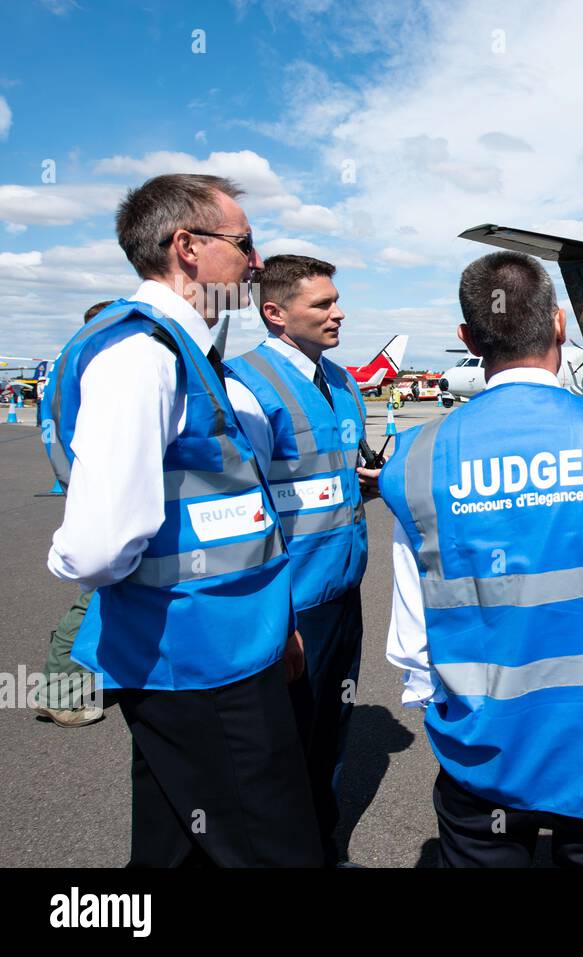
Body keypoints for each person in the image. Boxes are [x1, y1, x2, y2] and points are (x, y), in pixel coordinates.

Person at [381, 250, 583, 867]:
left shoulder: (419, 456)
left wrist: (443, 714)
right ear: (558, 322)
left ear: (468, 339)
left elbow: (412, 632)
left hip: (482, 755)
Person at [41, 173, 320, 867]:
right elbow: (101, 541)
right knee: (275, 849)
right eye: (245, 243)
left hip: (216, 649)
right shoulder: (141, 355)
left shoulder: (184, 350)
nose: (257, 263)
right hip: (198, 663)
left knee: (175, 849)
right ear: (187, 246)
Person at [225, 255, 369, 866]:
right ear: (275, 313)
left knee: (330, 732)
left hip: (343, 590)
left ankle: (319, 846)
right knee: (280, 743)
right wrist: (277, 622)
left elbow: (326, 482)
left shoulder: (340, 380)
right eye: (322, 304)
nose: (338, 313)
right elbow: (241, 513)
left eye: (337, 300)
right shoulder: (244, 386)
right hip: (290, 603)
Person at [34, 301, 113, 728]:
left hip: (85, 494)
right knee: (94, 599)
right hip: (100, 500)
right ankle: (58, 693)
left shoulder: (68, 371)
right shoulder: (90, 374)